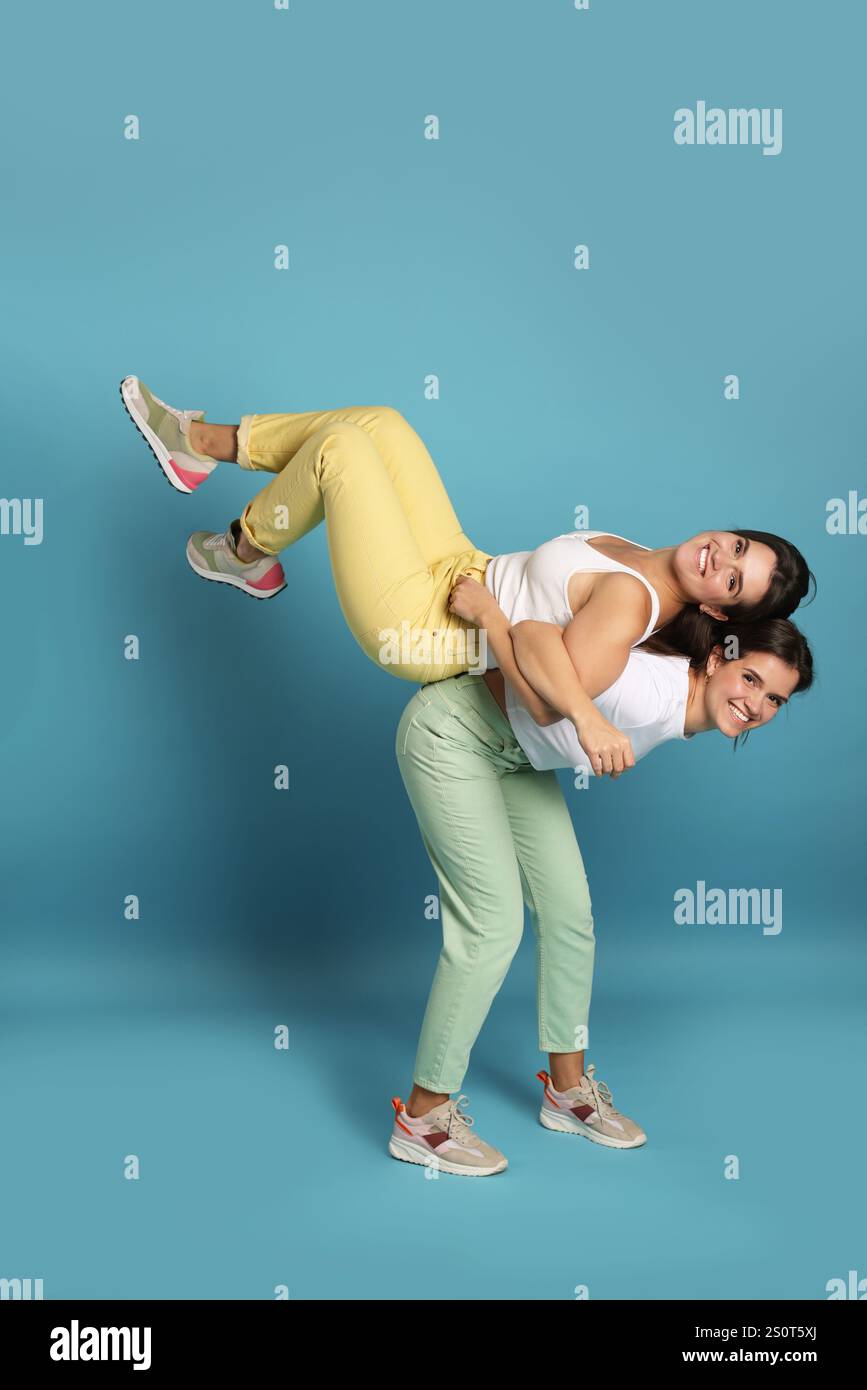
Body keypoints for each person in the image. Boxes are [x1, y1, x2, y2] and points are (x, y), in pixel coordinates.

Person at [119, 380, 813, 773]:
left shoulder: (631, 607)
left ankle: (241, 550)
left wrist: (491, 620)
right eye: (736, 546)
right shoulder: (638, 553)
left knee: (340, 453)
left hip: (426, 627)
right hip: (459, 562)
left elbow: (541, 702)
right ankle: (202, 446)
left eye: (732, 582)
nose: (718, 561)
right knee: (381, 424)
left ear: (722, 612)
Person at [388, 616, 814, 1176]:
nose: (757, 704)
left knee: (570, 916)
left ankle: (567, 1093)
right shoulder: (651, 694)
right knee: (492, 927)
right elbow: (535, 634)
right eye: (751, 679)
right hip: (454, 732)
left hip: (515, 755)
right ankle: (421, 1117)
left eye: (775, 699)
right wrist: (584, 715)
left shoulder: (678, 702)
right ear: (716, 660)